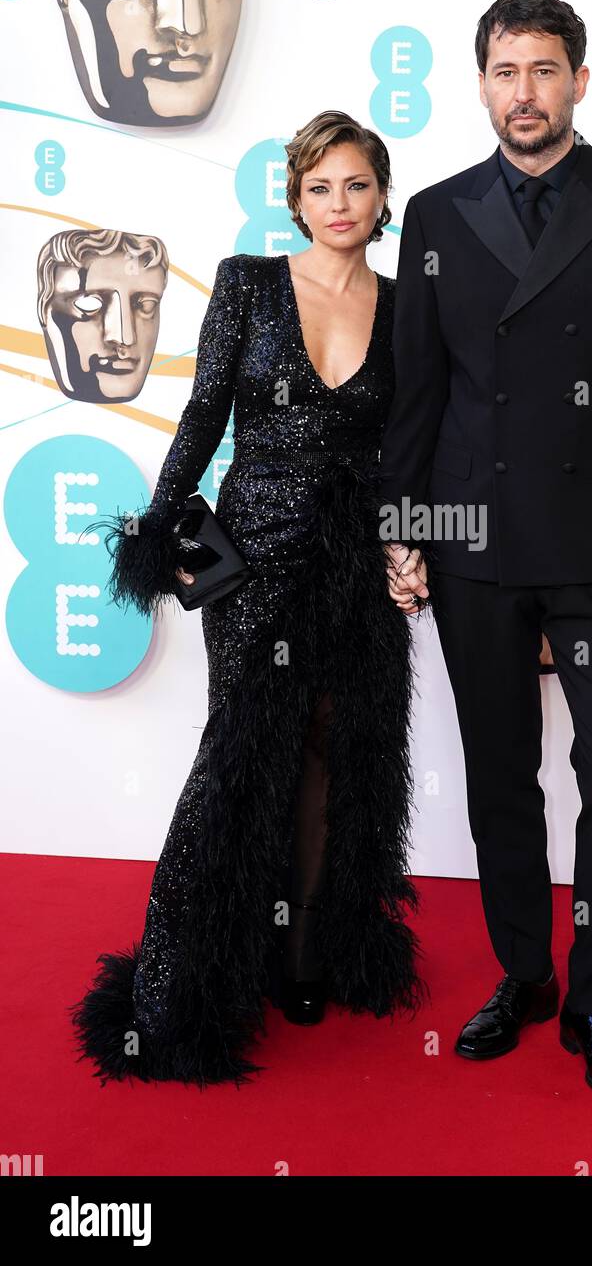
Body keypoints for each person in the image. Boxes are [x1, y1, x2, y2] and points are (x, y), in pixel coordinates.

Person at [378, 0, 592, 1101]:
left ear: (579, 79)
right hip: (469, 532)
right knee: (498, 776)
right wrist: (407, 529)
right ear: (478, 83)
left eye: (544, 70)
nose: (524, 92)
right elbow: (416, 393)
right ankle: (521, 972)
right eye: (504, 71)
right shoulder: (432, 212)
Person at [70, 110, 428, 1087]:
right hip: (257, 555)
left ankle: (304, 954)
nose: (339, 205)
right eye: (320, 187)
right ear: (295, 197)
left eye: (355, 185)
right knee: (241, 748)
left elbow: (407, 447)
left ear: (380, 193)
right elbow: (202, 411)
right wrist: (158, 527)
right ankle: (186, 975)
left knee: (330, 751)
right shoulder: (249, 283)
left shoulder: (403, 307)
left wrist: (412, 546)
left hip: (352, 562)